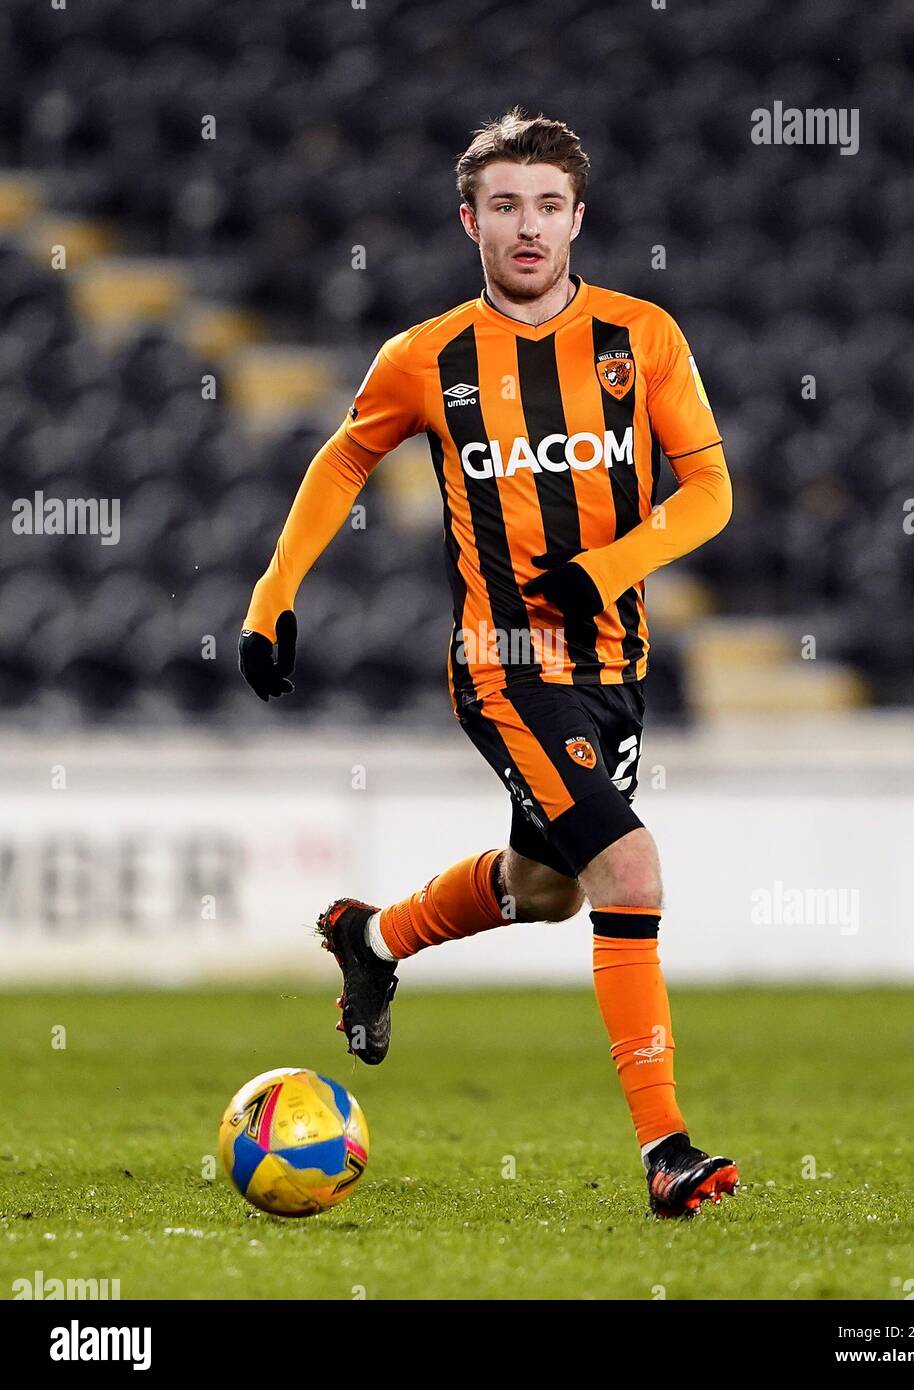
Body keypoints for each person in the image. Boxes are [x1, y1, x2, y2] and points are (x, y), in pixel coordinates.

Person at [239, 109, 737, 1218]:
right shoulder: (425, 358)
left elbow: (710, 490)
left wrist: (606, 566)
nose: (527, 227)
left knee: (549, 890)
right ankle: (669, 1151)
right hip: (504, 663)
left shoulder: (641, 338)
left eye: (548, 205)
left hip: (615, 665)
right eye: (505, 205)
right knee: (632, 871)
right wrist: (274, 596)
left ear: (577, 218)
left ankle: (368, 937)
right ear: (470, 219)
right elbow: (342, 458)